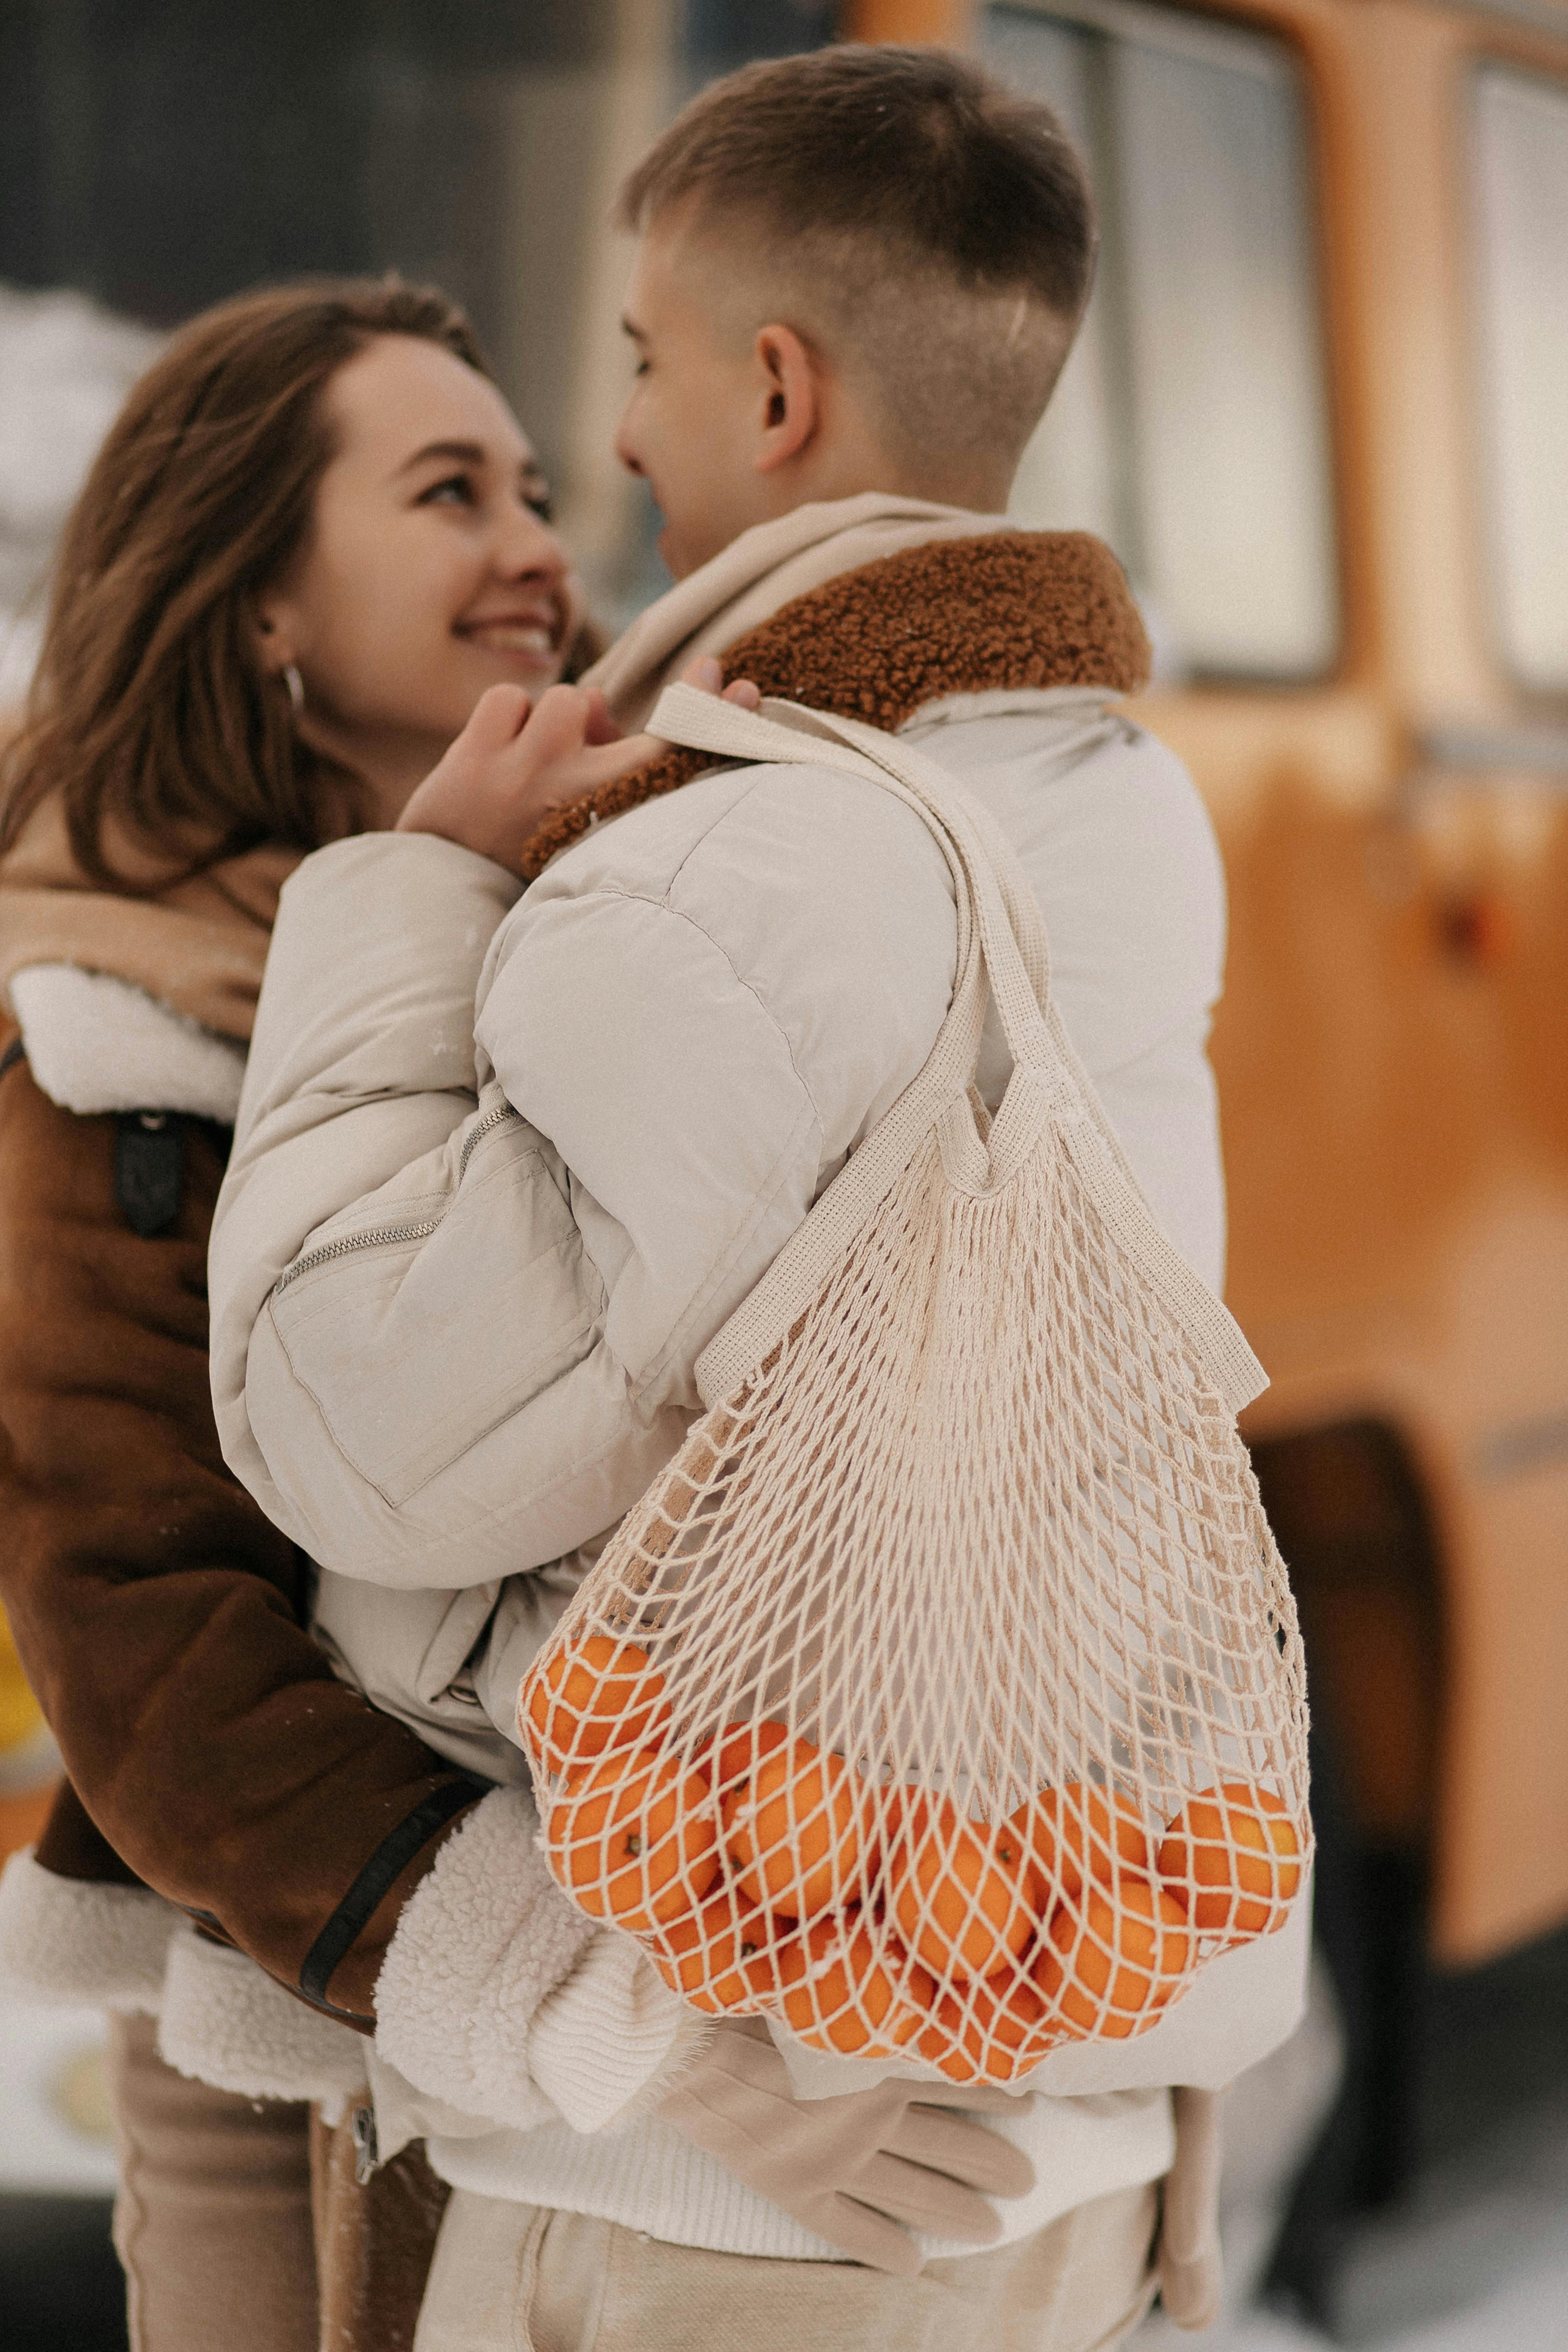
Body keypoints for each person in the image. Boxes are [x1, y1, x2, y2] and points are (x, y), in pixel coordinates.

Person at [209, 45, 1259, 2352]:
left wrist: (399, 905)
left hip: (731, 2188)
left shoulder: (721, 860)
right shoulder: (1121, 802)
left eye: (638, 366)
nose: (624, 449)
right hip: (1048, 2127)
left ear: (773, 388)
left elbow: (361, 1441)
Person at [0, 270, 1018, 2352]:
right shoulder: (114, 1027)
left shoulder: (546, 902)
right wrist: (658, 2045)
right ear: (258, 599)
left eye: (539, 483)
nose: (540, 547)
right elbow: (148, 1650)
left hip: (522, 2047)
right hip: (309, 2063)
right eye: (448, 493)